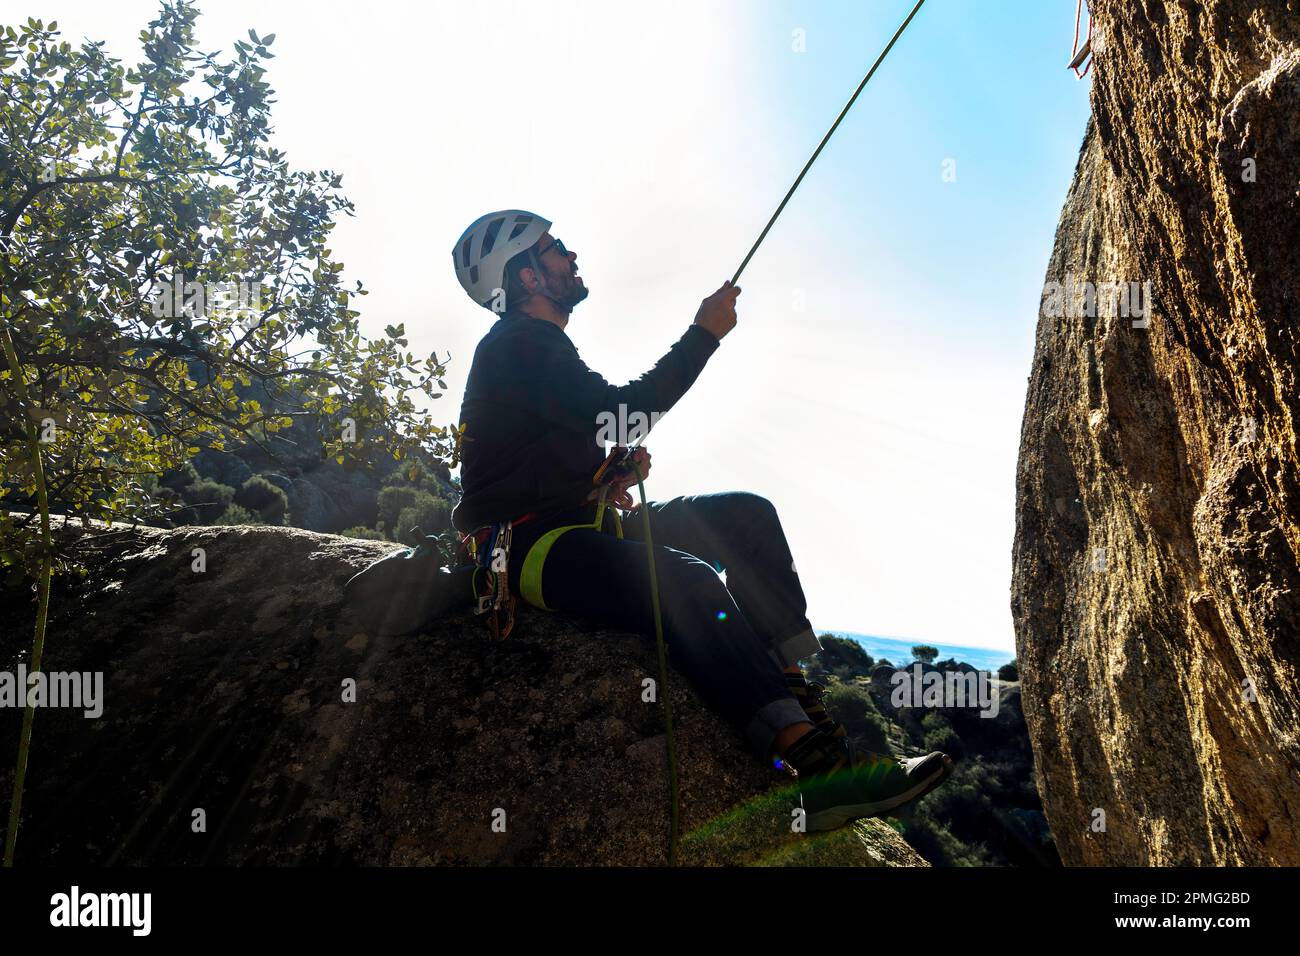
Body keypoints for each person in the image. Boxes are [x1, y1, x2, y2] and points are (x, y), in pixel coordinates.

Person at [449, 209, 951, 830]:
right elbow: (623, 413)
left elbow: (552, 448)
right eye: (555, 250)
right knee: (684, 581)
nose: (571, 256)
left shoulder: (536, 349)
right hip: (525, 548)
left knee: (744, 517)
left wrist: (608, 476)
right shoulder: (520, 345)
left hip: (577, 523)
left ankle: (795, 692)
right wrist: (703, 334)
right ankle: (817, 771)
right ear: (526, 276)